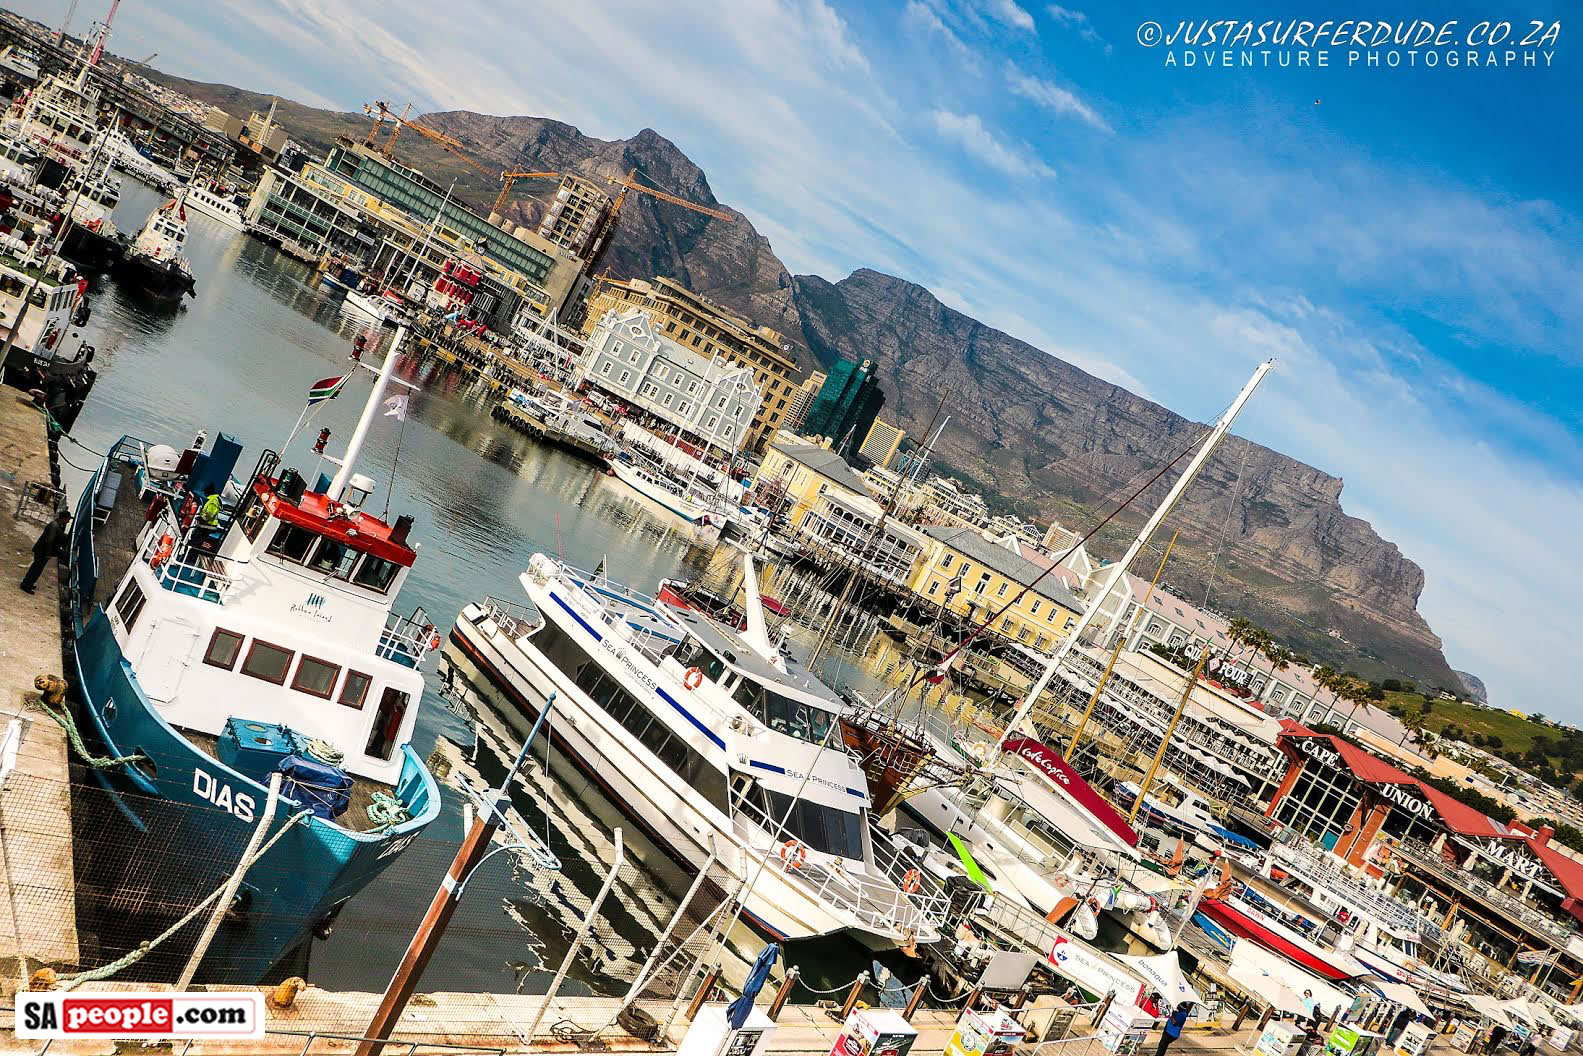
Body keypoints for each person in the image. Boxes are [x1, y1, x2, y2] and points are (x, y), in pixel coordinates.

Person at [21, 510, 70, 594]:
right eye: (68, 519)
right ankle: (27, 585)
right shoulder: (54, 527)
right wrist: (48, 553)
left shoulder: (57, 525)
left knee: (36, 568)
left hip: (42, 550)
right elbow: (49, 541)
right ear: (64, 519)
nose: (68, 521)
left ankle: (28, 582)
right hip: (42, 552)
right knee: (36, 569)